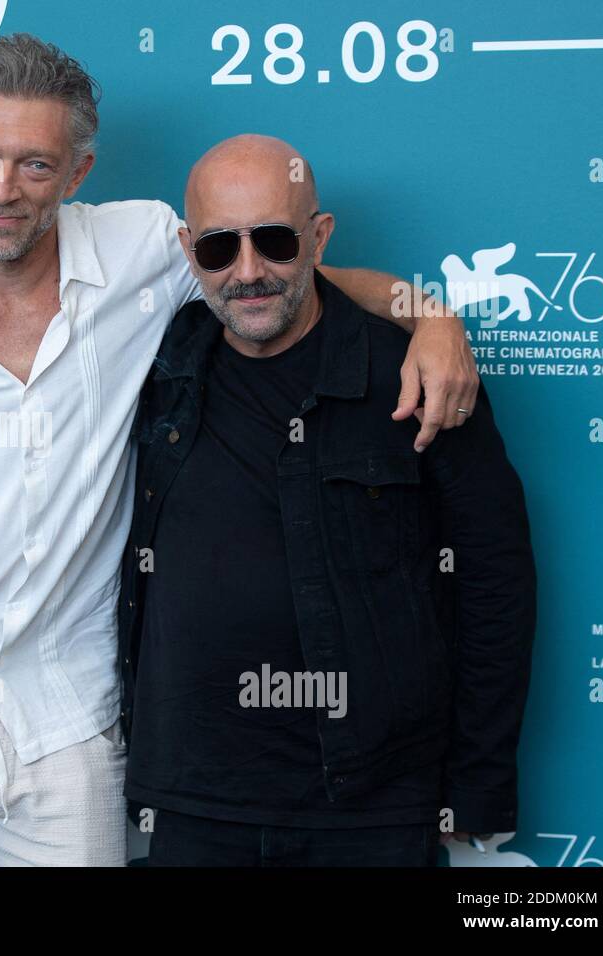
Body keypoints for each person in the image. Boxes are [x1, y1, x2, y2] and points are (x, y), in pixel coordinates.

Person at [0, 34, 476, 866]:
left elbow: (285, 275)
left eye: (35, 165)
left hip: (69, 735)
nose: (2, 188)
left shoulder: (144, 250)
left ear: (77, 174)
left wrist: (431, 315)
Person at [115, 134, 536, 865]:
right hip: (192, 801)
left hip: (372, 801)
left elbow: (494, 583)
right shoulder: (154, 359)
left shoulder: (415, 376)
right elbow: (12, 261)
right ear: (188, 252)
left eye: (276, 241)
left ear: (319, 236)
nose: (248, 273)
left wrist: (476, 780)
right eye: (219, 250)